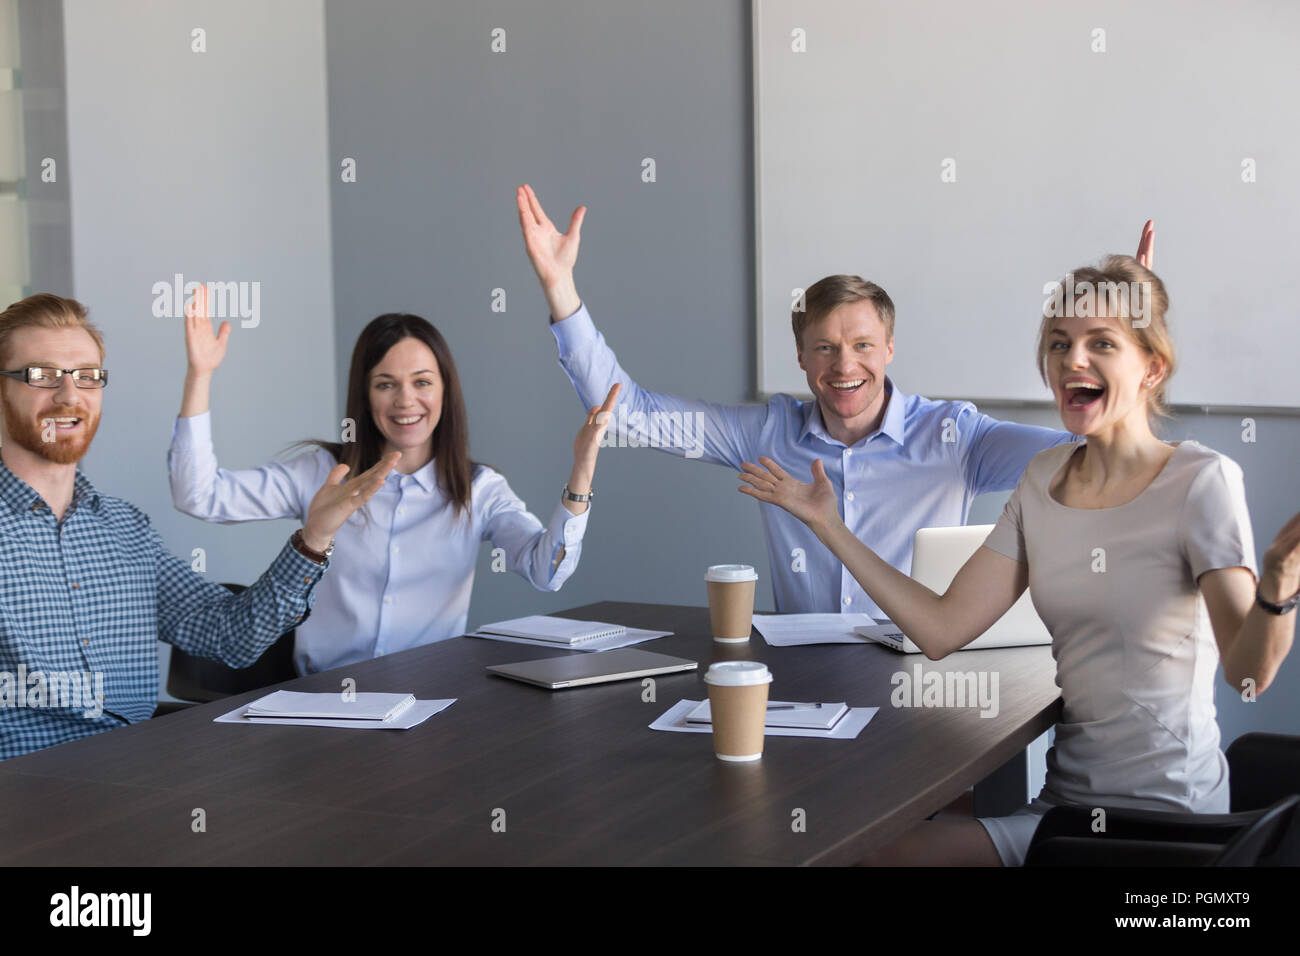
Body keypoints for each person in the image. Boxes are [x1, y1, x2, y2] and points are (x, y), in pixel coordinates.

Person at [737, 254, 1300, 865]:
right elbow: (939, 628)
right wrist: (828, 524)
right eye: (1060, 344)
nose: (1072, 360)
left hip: (1167, 828)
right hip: (1063, 812)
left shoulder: (1201, 481)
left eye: (1101, 344)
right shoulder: (1043, 480)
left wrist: (1278, 587)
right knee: (872, 854)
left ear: (1152, 368)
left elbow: (1248, 675)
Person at [516, 183, 1111, 617]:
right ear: (800, 357)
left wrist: (1124, 340)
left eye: (861, 345)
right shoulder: (767, 435)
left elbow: (1089, 450)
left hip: (925, 675)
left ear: (890, 349)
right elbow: (632, 415)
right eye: (824, 348)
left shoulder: (958, 438)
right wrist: (561, 289)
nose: (844, 365)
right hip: (807, 688)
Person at [0, 294, 389, 760]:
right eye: (41, 376)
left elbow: (231, 638)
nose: (69, 395)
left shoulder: (125, 530)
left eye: (86, 376)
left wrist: (315, 538)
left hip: (134, 783)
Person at [168, 286, 618, 675]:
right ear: (365, 393)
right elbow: (201, 496)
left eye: (422, 382)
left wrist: (581, 467)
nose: (406, 400)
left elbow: (548, 570)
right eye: (385, 384)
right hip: (321, 703)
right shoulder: (322, 473)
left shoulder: (479, 489)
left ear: (445, 389)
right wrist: (199, 376)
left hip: (430, 705)